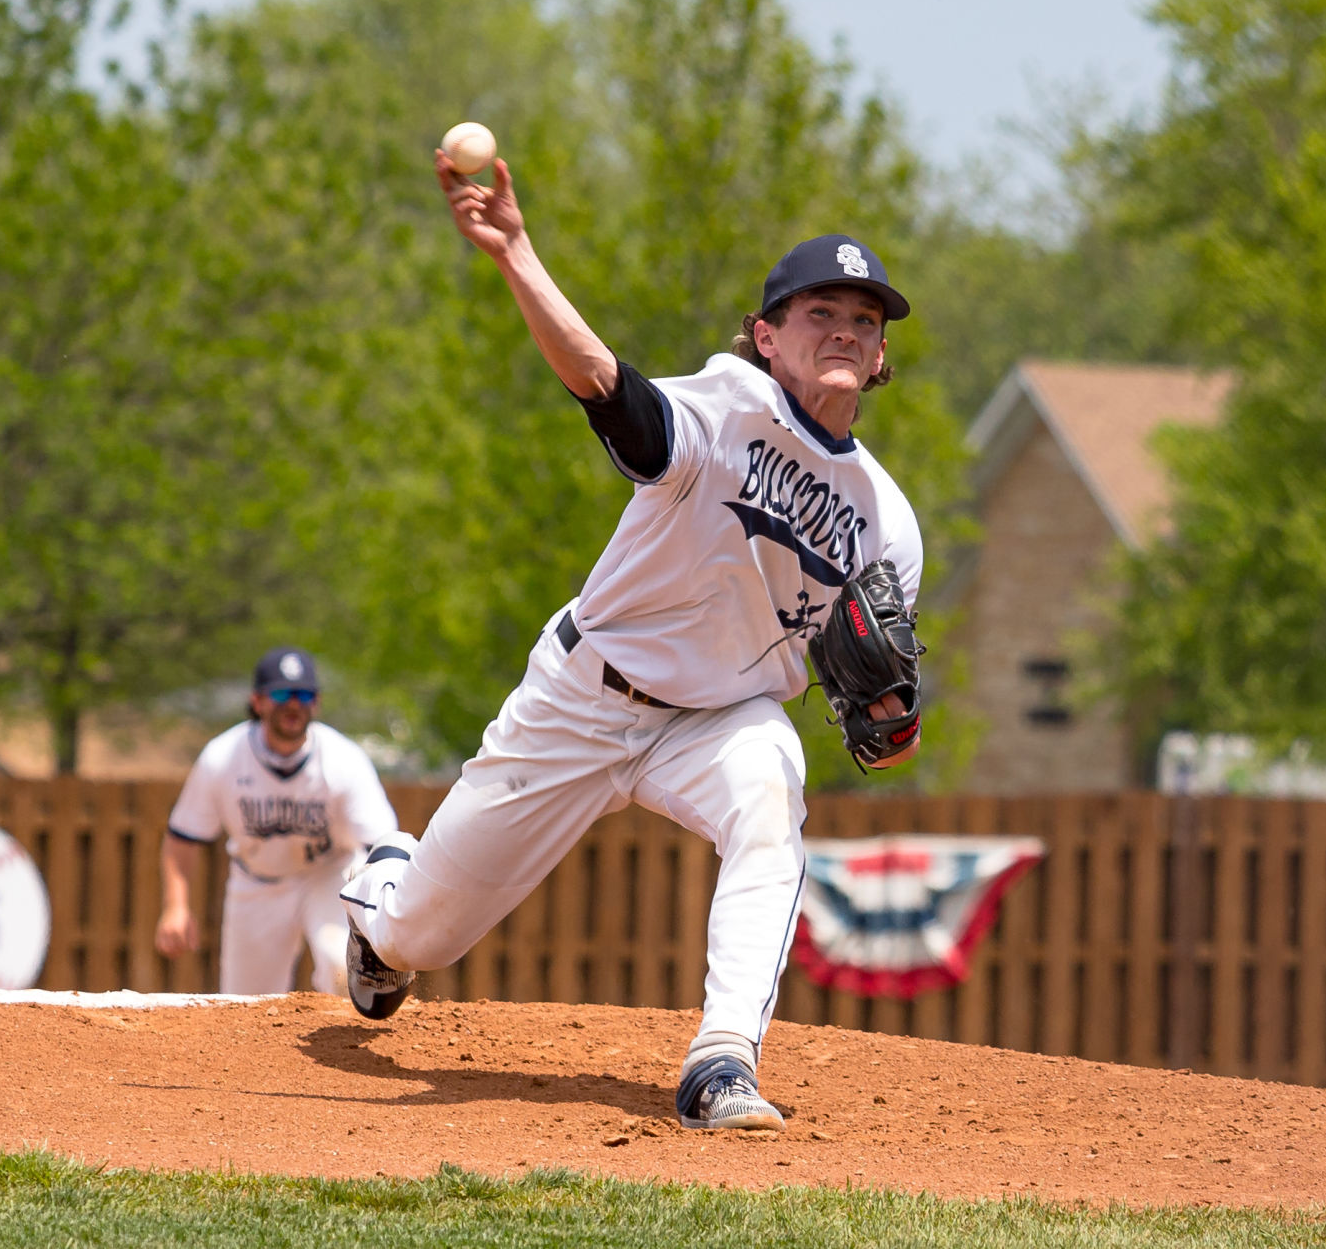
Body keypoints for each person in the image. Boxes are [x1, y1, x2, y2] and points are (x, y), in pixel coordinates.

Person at [340, 150, 922, 1131]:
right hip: (584, 695)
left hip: (718, 718)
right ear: (765, 335)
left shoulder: (885, 520)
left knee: (769, 793)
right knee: (420, 939)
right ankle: (380, 891)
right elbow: (606, 387)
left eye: (863, 320)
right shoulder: (723, 407)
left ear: (878, 357)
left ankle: (721, 1062)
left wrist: (890, 716)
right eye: (819, 311)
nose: (844, 330)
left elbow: (874, 684)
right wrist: (515, 252)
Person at [156, 646, 398, 996]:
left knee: (343, 970)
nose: (294, 704)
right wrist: (175, 907)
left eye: (304, 695)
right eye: (282, 694)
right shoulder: (223, 758)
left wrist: (388, 910)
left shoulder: (343, 760)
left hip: (330, 876)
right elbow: (183, 837)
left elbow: (382, 844)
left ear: (316, 703)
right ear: (257, 701)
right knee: (245, 1003)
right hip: (258, 881)